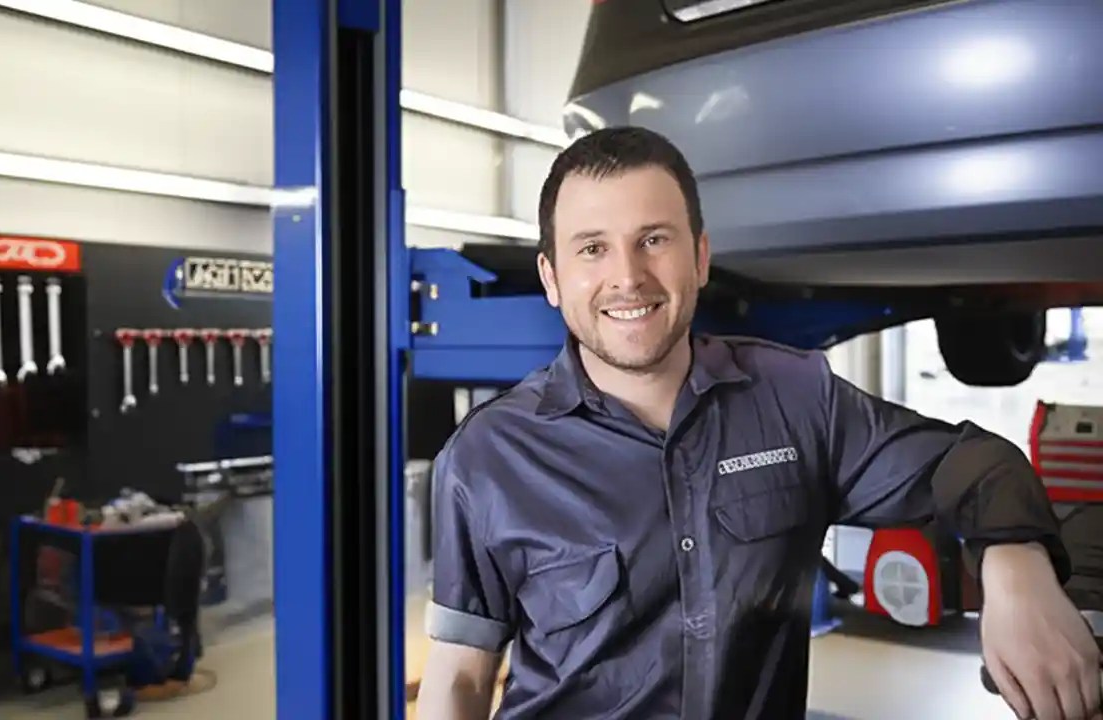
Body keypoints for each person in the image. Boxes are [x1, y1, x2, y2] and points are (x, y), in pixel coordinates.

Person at [415, 126, 1101, 720]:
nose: (628, 276)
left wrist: (1017, 571)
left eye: (653, 239)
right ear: (552, 277)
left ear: (699, 256)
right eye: (592, 248)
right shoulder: (489, 455)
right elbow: (462, 677)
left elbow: (974, 464)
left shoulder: (794, 400)